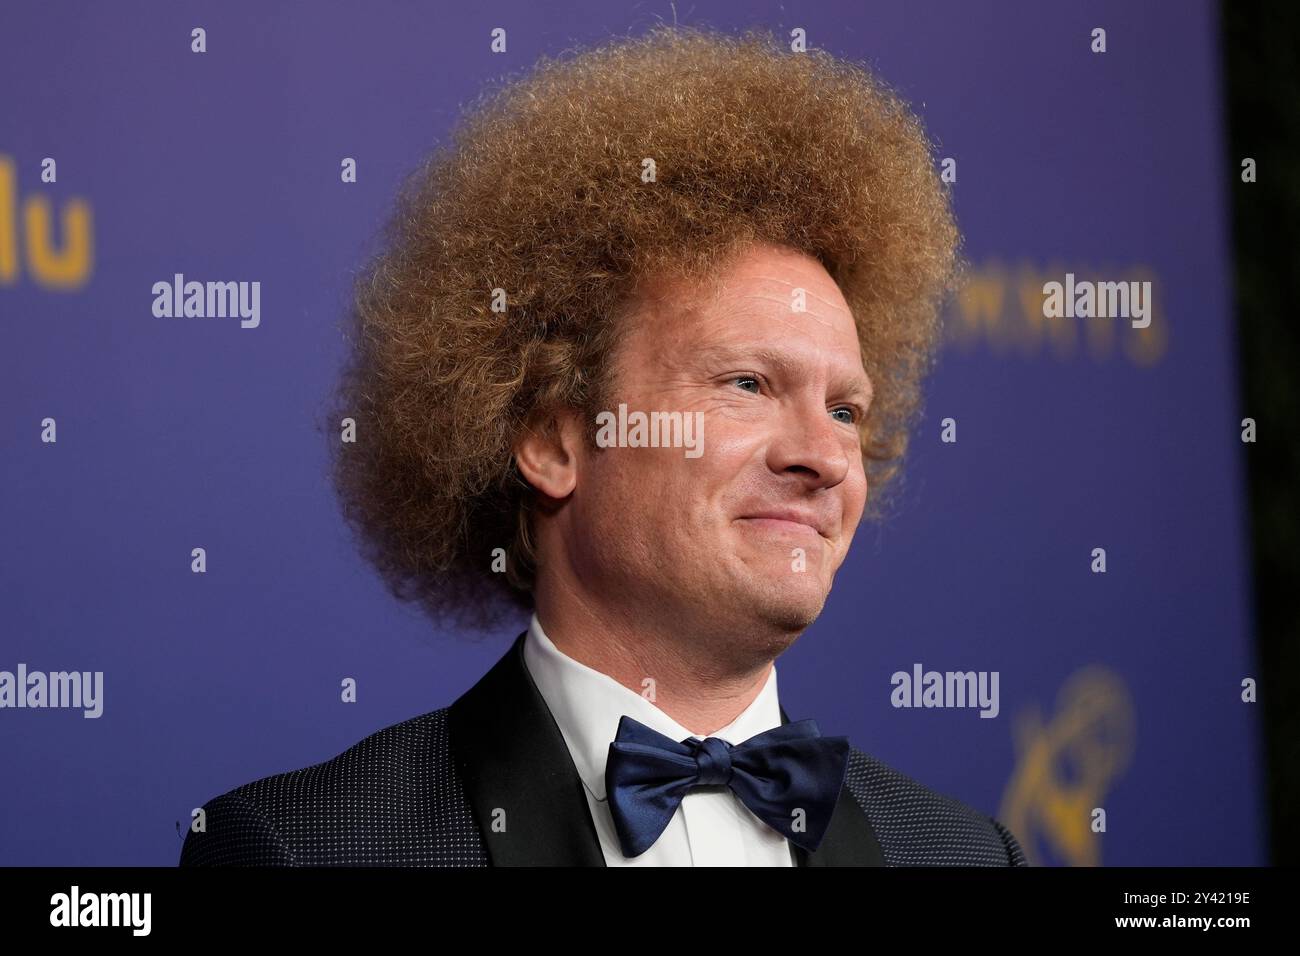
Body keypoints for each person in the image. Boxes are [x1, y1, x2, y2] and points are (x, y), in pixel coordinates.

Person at [181, 25, 1026, 867]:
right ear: (553, 442)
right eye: (747, 385)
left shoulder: (969, 857)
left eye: (846, 410)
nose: (825, 456)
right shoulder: (311, 853)